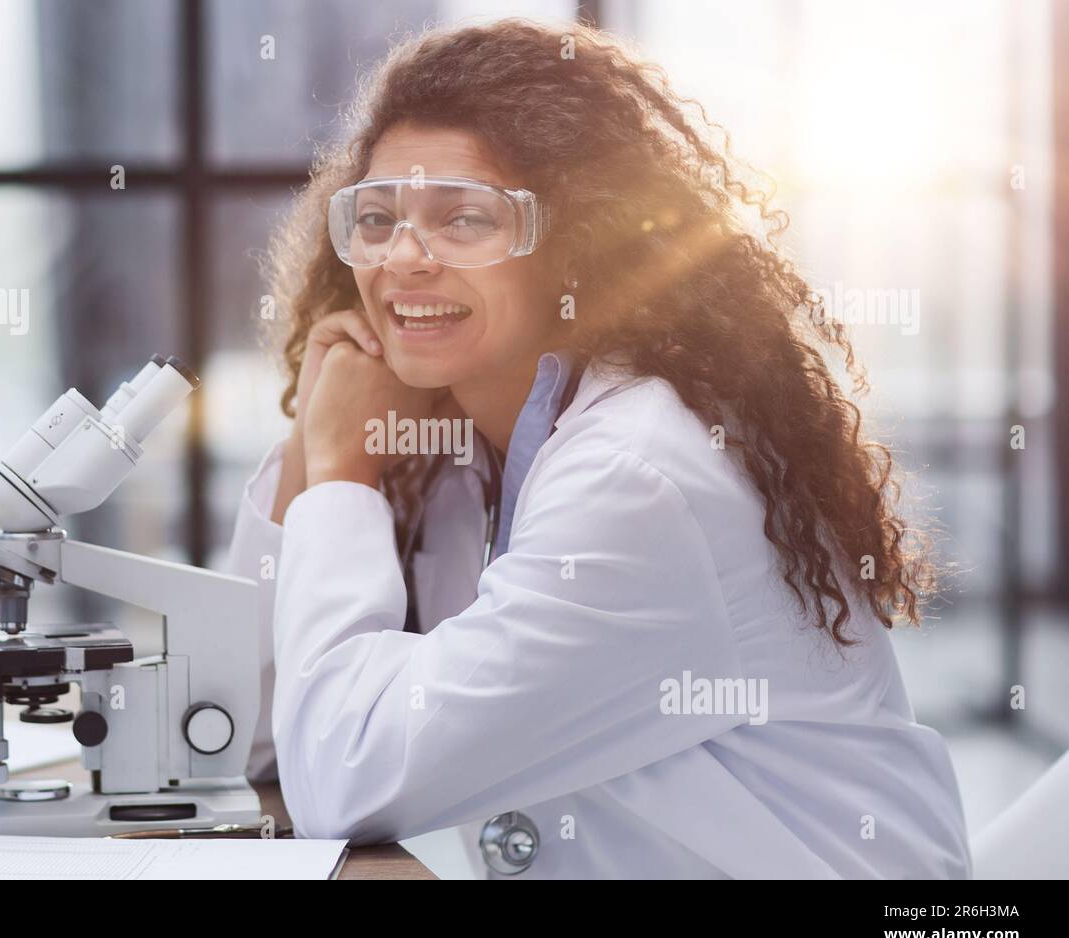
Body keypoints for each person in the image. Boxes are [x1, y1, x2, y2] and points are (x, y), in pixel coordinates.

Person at [225, 18, 971, 878]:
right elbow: (251, 734)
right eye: (380, 217)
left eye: (464, 218)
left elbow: (344, 777)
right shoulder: (448, 450)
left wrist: (342, 478)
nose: (404, 258)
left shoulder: (639, 473)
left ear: (576, 245)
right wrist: (312, 446)